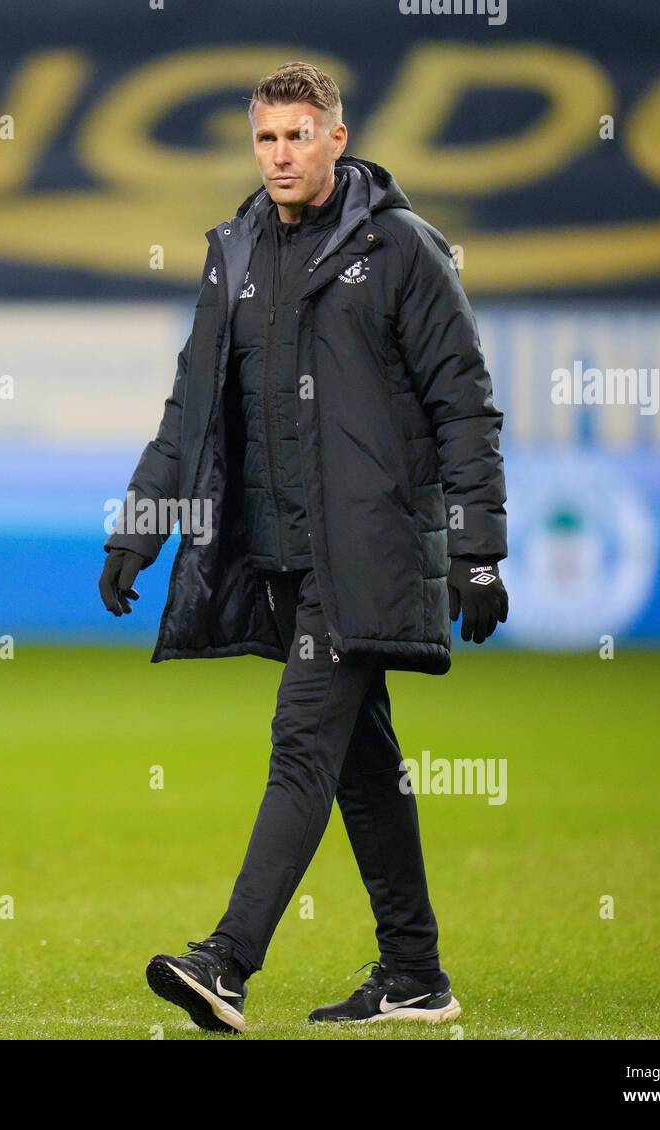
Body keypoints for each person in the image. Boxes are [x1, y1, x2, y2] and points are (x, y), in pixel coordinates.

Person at [98, 61, 508, 1034]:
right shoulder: (233, 251)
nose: (279, 155)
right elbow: (188, 407)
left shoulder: (403, 249)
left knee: (299, 747)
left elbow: (464, 403)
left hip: (364, 556)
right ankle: (415, 973)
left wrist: (477, 548)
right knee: (362, 763)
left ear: (336, 136)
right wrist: (141, 522)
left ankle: (225, 961)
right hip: (276, 561)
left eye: (296, 135)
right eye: (264, 139)